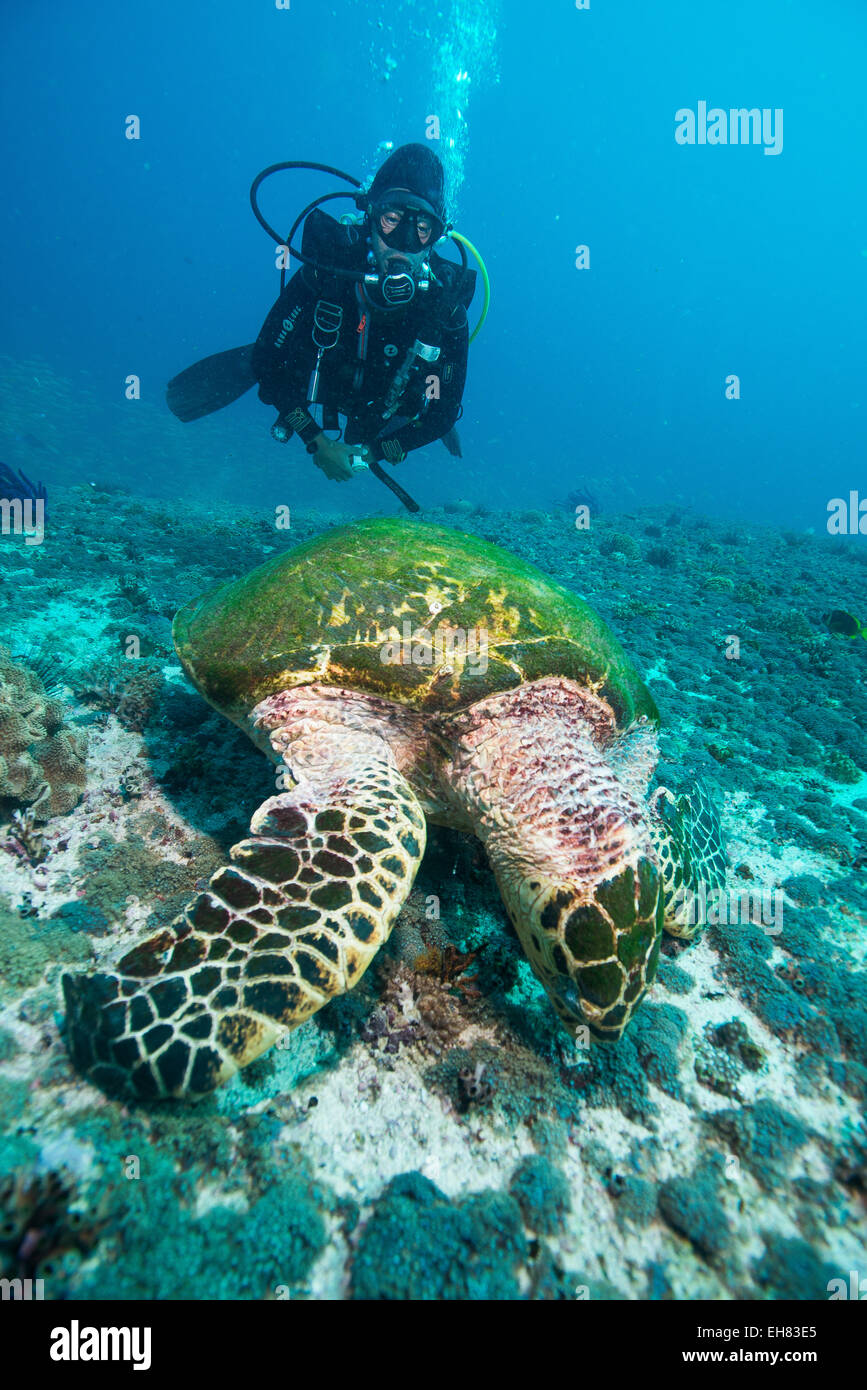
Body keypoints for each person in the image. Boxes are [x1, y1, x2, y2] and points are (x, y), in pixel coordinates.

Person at [251, 144, 474, 485]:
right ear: (370, 217)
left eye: (422, 227)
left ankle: (397, 419)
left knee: (424, 404)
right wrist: (316, 440)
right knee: (263, 363)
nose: (403, 242)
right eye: (391, 220)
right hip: (328, 387)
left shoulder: (446, 306)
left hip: (388, 409)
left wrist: (370, 453)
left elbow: (442, 415)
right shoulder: (327, 271)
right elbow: (265, 365)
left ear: (436, 237)